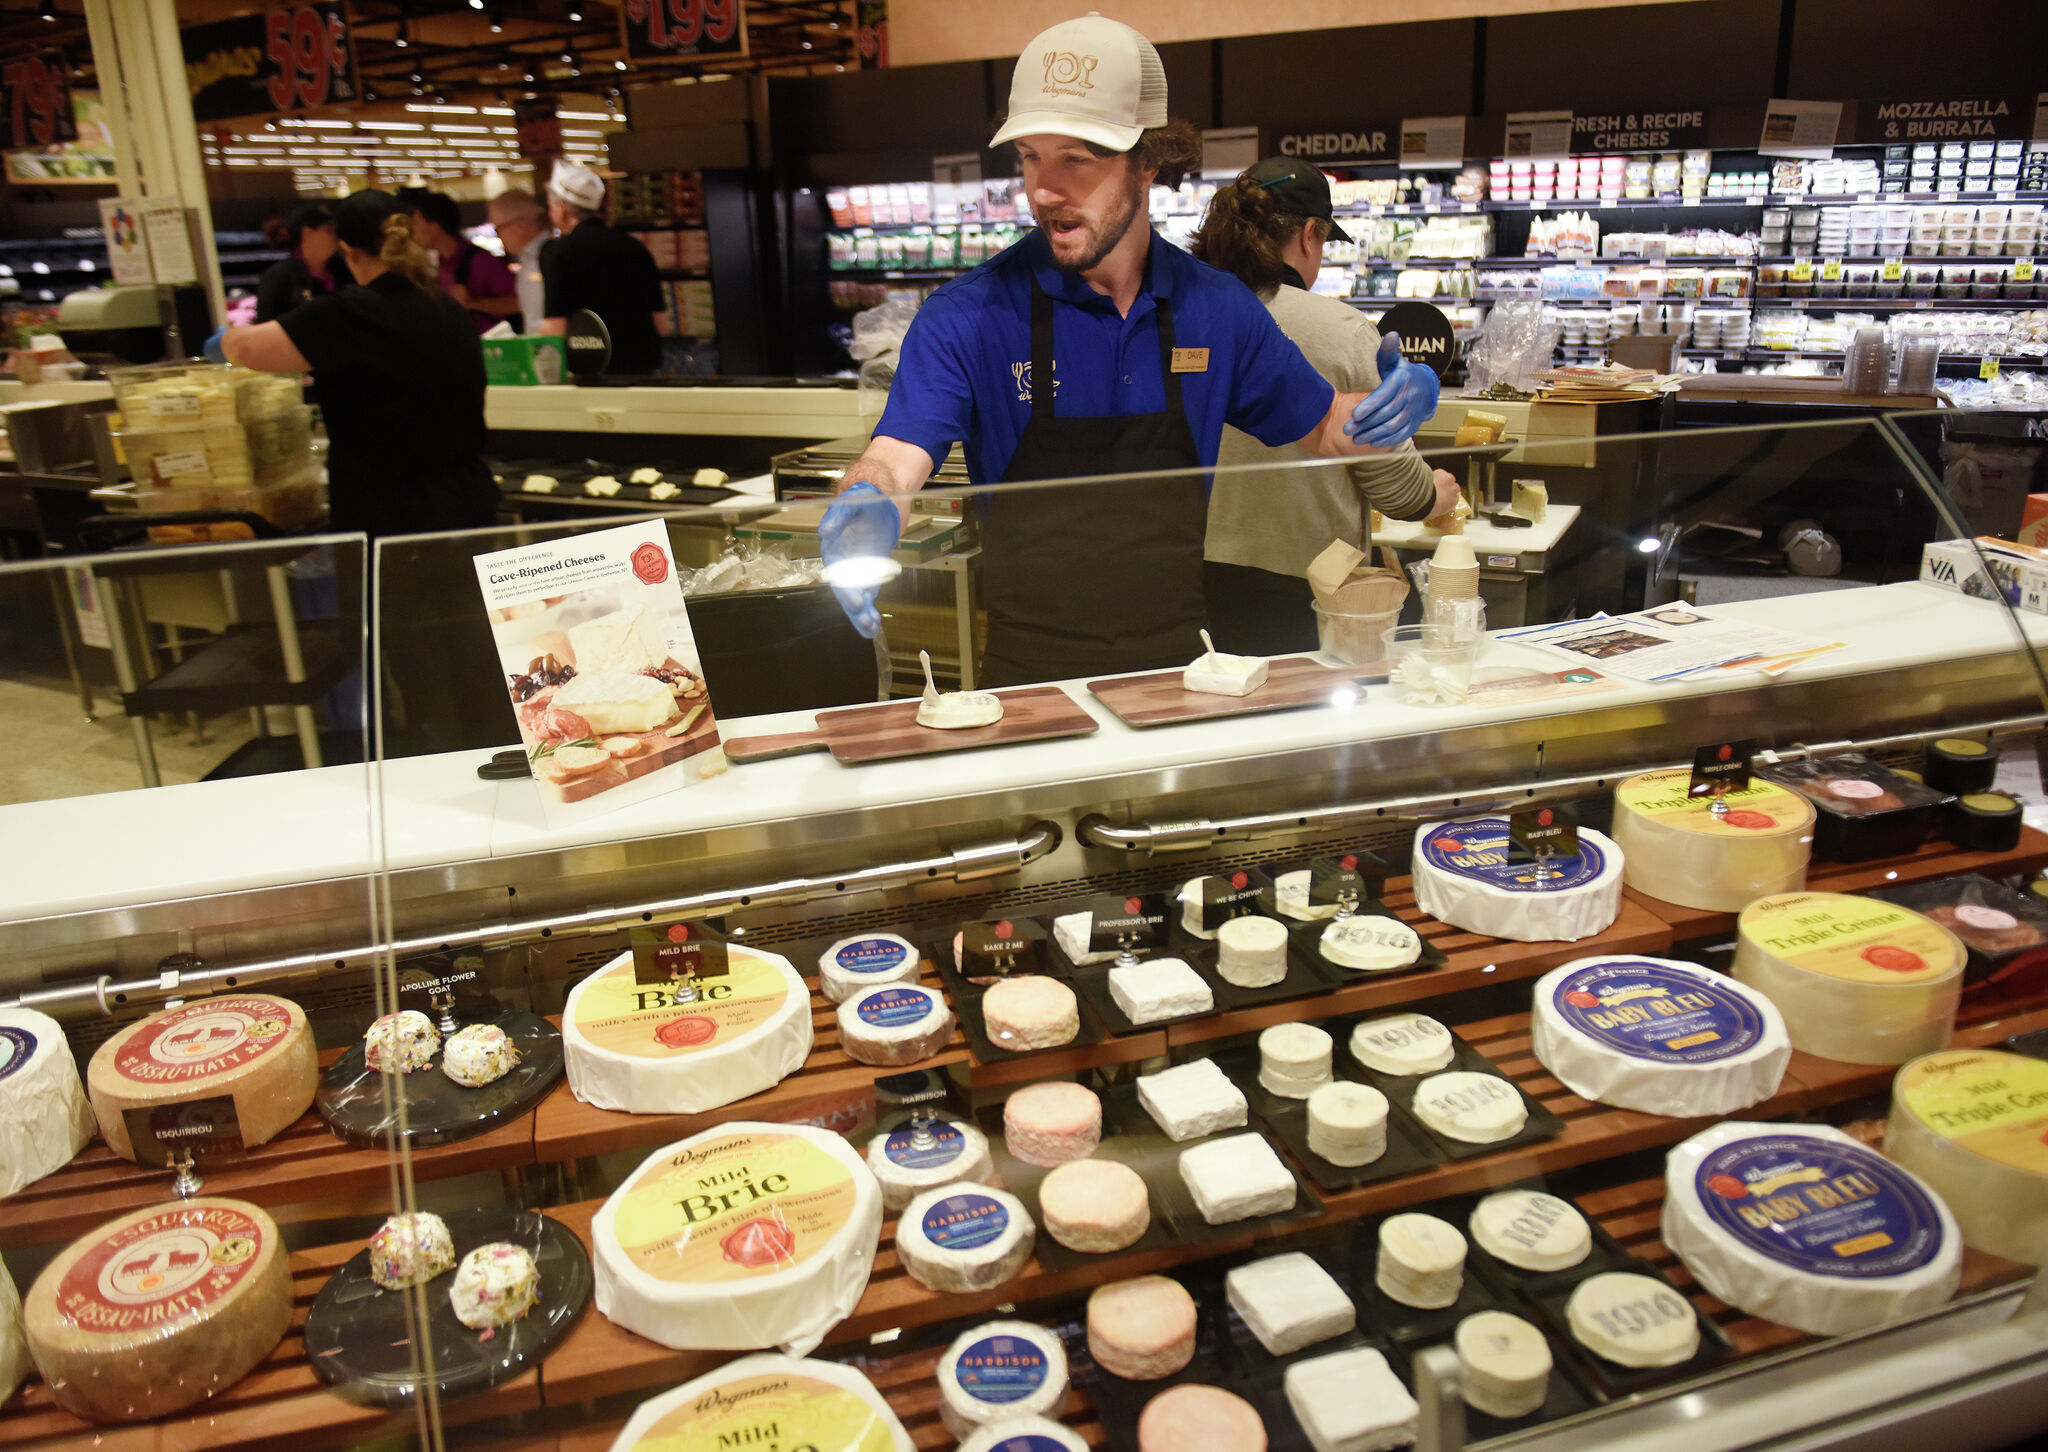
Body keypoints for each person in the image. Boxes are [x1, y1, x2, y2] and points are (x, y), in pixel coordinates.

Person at [817, 14, 1439, 685]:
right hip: (1028, 685)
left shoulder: (1214, 309)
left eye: (1075, 159)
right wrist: (864, 500)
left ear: (1148, 162)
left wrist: (1389, 408)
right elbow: (895, 458)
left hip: (1182, 678)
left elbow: (1319, 423)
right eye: (1030, 156)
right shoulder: (969, 316)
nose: (1043, 189)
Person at [1191, 158, 1462, 655]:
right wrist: (1437, 495)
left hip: (1191, 581)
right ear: (1310, 235)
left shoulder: (1188, 314)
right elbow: (1397, 489)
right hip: (1305, 586)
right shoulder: (1340, 331)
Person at [212, 188, 498, 537]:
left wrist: (219, 340)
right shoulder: (445, 306)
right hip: (467, 499)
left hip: (395, 515)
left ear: (348, 252)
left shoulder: (353, 312)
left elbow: (246, 350)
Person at [536, 159, 667, 374]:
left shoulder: (556, 252)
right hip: (643, 367)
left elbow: (555, 328)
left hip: (589, 369)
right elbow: (661, 324)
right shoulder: (635, 247)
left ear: (561, 209)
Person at [410, 191, 519, 335]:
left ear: (435, 226)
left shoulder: (481, 261)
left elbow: (518, 303)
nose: (413, 230)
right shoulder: (442, 264)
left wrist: (473, 304)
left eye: (417, 222)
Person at [253, 202, 353, 324]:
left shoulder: (343, 269)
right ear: (307, 233)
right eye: (329, 230)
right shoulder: (279, 277)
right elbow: (265, 328)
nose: (336, 236)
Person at [486, 187, 552, 331]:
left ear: (519, 225)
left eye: (499, 229)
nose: (499, 236)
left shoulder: (547, 258)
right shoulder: (528, 261)